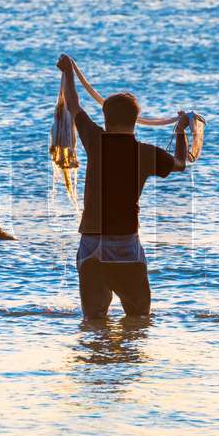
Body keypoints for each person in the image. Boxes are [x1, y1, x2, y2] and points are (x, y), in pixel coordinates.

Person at [57, 54, 189, 319]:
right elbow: (180, 163)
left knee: (94, 319)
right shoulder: (145, 153)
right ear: (136, 119)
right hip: (124, 243)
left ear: (105, 118)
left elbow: (73, 105)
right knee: (139, 317)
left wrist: (68, 72)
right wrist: (181, 130)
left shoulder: (95, 140)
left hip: (91, 241)